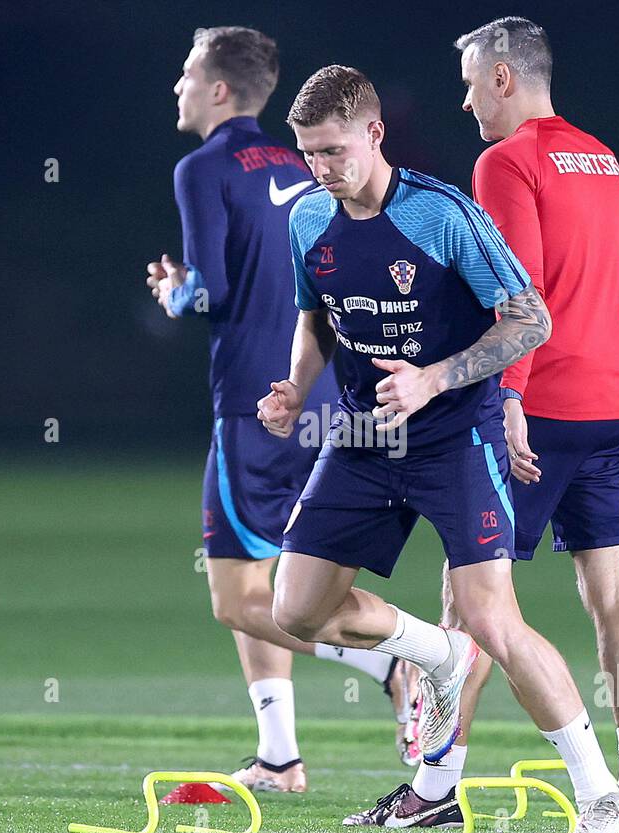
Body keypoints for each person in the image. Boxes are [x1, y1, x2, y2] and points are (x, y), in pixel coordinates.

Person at [257, 64, 619, 833]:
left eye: (333, 150)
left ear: (374, 134)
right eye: (308, 154)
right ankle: (439, 656)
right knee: (294, 609)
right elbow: (316, 319)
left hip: (455, 438)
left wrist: (434, 379)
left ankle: (604, 800)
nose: (321, 169)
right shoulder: (306, 221)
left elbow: (530, 320)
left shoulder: (443, 215)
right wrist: (296, 389)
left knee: (494, 620)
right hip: (364, 438)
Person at [346, 17, 619, 831]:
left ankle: (433, 788)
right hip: (613, 398)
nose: (462, 101)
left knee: (469, 605)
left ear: (501, 78)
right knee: (614, 594)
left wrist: (511, 400)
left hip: (538, 404)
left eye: (468, 82)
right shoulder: (601, 157)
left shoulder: (506, 162)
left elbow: (516, 297)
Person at [146, 28, 420, 794]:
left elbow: (214, 290)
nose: (179, 88)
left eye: (188, 74)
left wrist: (174, 293)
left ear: (220, 91)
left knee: (236, 596)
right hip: (325, 396)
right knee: (277, 580)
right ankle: (277, 755)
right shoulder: (302, 166)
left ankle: (393, 661)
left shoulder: (203, 166)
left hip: (256, 404)